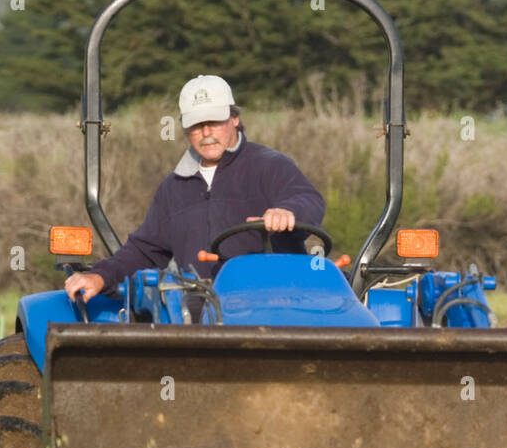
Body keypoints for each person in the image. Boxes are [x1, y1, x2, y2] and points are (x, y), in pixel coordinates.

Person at [63, 74, 326, 307]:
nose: (207, 132)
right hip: (202, 306)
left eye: (215, 121)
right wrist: (100, 276)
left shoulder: (269, 165)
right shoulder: (174, 187)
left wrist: (287, 212)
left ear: (234, 118)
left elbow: (308, 199)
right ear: (186, 129)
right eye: (197, 125)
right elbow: (143, 251)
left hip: (275, 302)